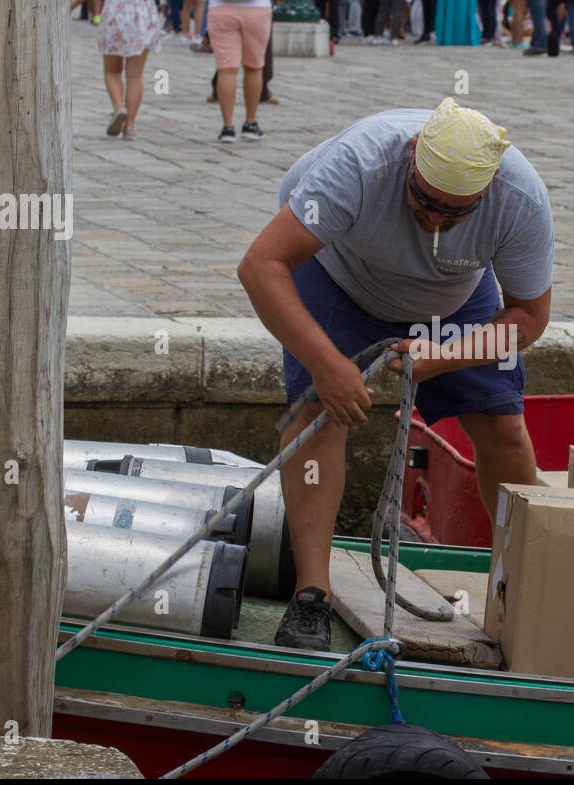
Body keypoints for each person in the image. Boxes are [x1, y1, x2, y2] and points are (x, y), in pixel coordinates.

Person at [237, 97, 554, 651]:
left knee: (502, 424)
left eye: (454, 212)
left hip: (453, 296)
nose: (435, 218)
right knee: (317, 411)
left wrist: (439, 359)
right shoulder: (360, 165)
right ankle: (312, 593)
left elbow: (528, 318)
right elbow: (261, 265)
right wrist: (327, 364)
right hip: (340, 273)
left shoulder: (521, 199)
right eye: (425, 200)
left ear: (487, 190)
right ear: (411, 158)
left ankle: (532, 581)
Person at [193, 0, 288, 142]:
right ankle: (250, 122)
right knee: (254, 67)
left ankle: (227, 127)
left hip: (221, 7)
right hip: (257, 7)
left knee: (227, 69)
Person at [93, 0, 168, 140]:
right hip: (142, 15)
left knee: (112, 70)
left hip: (115, 13)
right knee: (135, 75)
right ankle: (131, 126)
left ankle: (118, 107)